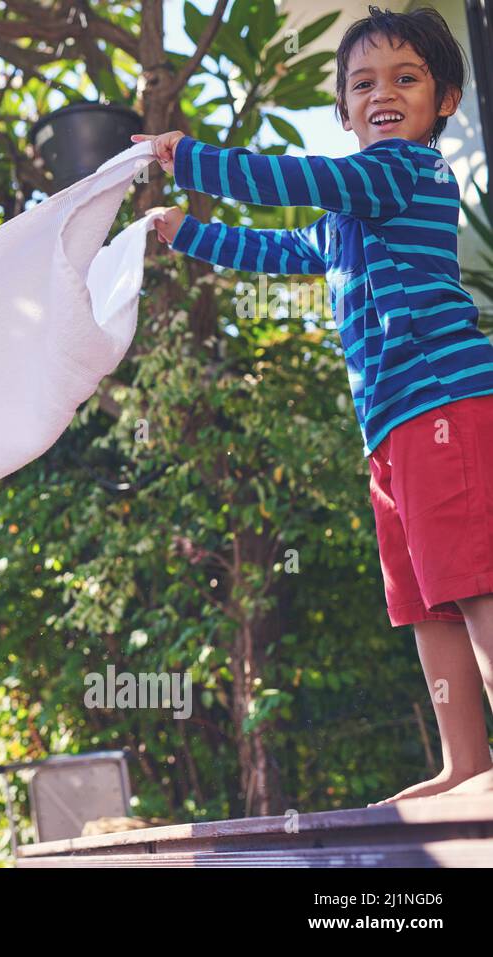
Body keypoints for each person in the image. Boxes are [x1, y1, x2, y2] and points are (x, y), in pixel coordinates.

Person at [134, 6, 493, 806]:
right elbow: (279, 249)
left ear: (448, 101)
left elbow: (300, 179)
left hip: (448, 404)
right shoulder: (348, 216)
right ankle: (466, 764)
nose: (383, 95)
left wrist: (189, 158)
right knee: (428, 601)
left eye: (407, 78)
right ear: (344, 107)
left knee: (474, 583)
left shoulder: (403, 171)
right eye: (363, 83)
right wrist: (186, 231)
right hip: (395, 430)